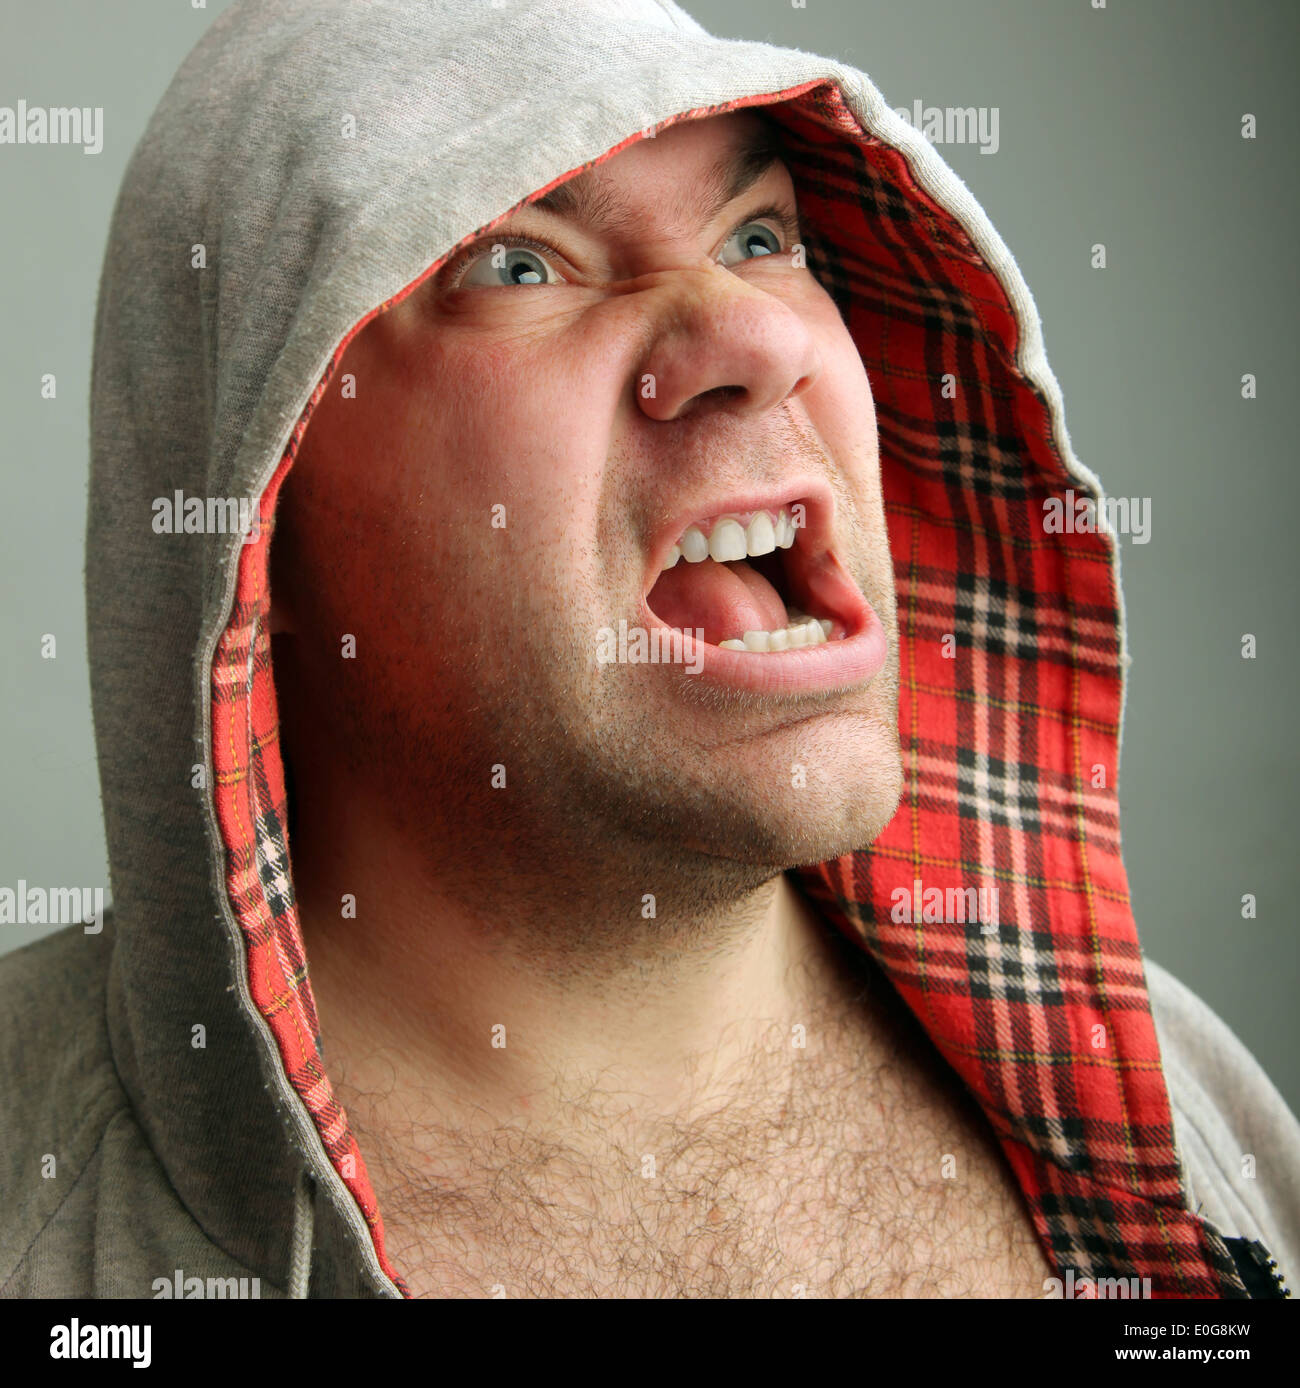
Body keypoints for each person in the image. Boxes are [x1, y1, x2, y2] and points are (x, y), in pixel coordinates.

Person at [1, 0, 1295, 1299]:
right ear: (258, 515)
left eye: (761, 237)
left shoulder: (1192, 1129)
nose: (758, 337)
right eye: (521, 265)